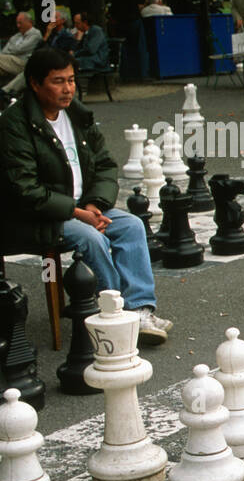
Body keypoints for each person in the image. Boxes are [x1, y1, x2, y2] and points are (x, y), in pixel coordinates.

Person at [0, 47, 173, 345]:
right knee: (91, 238)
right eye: (58, 81)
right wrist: (78, 213)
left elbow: (105, 165)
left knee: (130, 225)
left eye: (71, 80)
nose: (68, 89)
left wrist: (94, 205)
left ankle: (140, 309)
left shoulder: (77, 115)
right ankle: (113, 312)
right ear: (34, 83)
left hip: (82, 208)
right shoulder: (14, 124)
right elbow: (25, 189)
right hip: (35, 216)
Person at [0, 13, 41, 84]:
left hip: (22, 63)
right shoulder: (17, 35)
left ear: (29, 22)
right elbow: (5, 51)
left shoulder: (35, 34)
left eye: (20, 23)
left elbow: (19, 49)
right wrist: (12, 50)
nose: (18, 26)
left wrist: (11, 49)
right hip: (8, 61)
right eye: (17, 23)